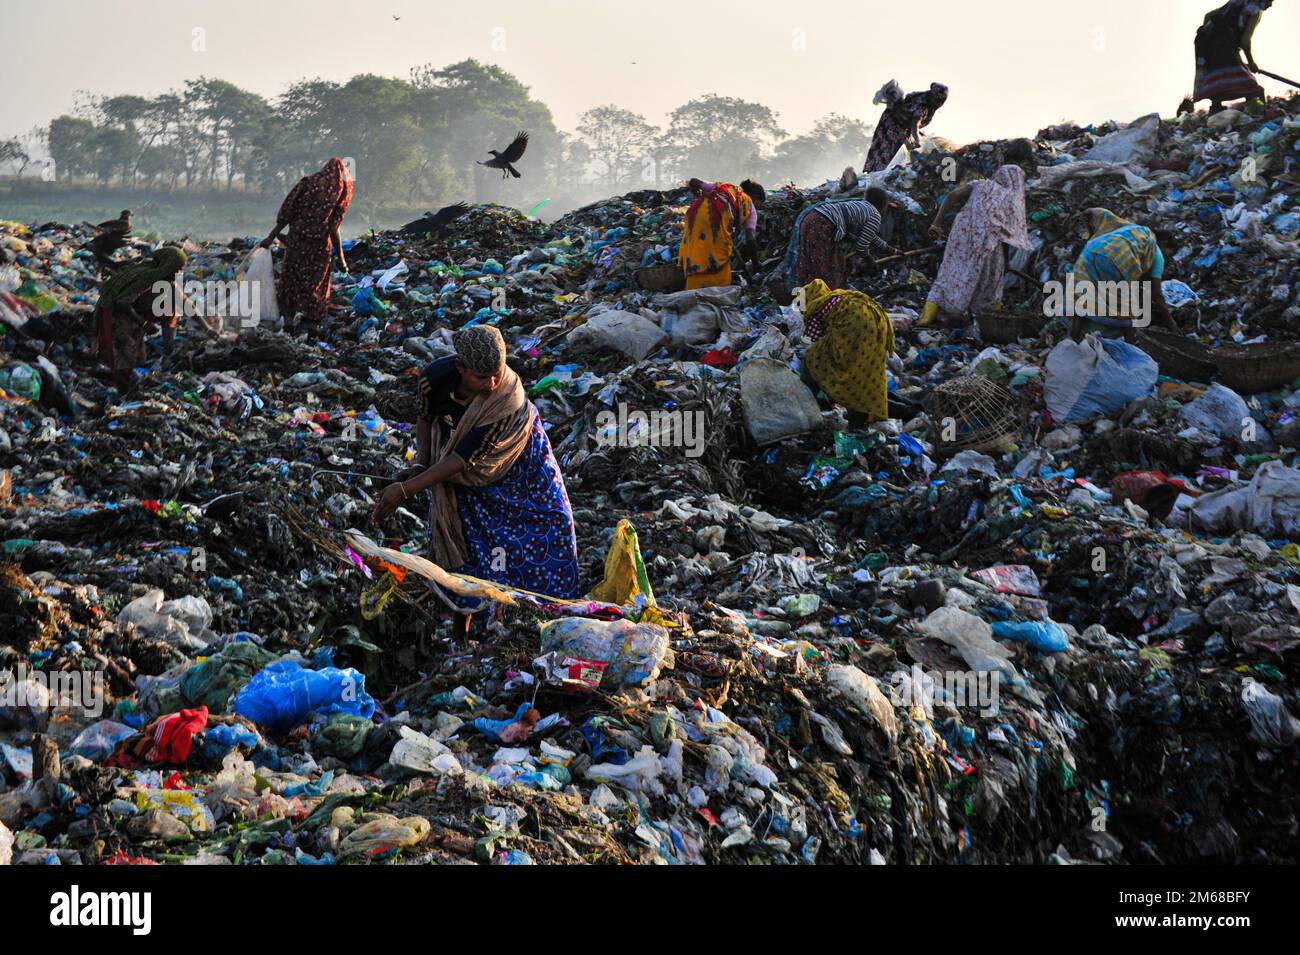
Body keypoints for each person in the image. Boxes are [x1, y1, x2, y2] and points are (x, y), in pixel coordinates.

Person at [372, 325, 580, 637]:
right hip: (458, 471)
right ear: (460, 367)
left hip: (519, 465)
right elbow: (426, 418)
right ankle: (461, 636)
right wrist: (421, 464)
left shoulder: (506, 401)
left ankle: (547, 624)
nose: (492, 383)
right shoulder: (435, 379)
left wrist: (406, 489)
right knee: (465, 546)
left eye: (496, 373)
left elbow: (462, 461)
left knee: (554, 527)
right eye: (481, 377)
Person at [920, 165, 1032, 326]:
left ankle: (929, 313)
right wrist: (1005, 262)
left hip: (963, 232)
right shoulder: (1013, 199)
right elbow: (1008, 234)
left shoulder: (981, 184)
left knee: (951, 270)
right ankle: (985, 315)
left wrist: (936, 223)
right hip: (990, 241)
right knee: (988, 277)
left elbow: (953, 194)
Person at [260, 158, 353, 326]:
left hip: (296, 242)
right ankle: (312, 329)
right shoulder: (340, 191)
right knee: (315, 286)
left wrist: (270, 237)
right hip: (318, 248)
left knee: (290, 282)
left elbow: (287, 213)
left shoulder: (308, 184)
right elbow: (334, 227)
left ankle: (288, 325)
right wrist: (341, 258)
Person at [1067, 210, 1179, 342]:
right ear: (1164, 244)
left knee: (1083, 295)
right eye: (1168, 253)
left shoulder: (1132, 232)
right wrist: (1172, 325)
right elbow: (1156, 295)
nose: (1166, 257)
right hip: (1115, 260)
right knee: (1130, 311)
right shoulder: (1157, 252)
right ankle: (1130, 346)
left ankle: (1074, 337)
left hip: (1090, 251)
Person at [798, 278, 896, 425]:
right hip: (875, 319)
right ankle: (862, 414)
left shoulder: (814, 308)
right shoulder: (836, 296)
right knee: (865, 370)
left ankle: (805, 405)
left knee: (813, 359)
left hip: (855, 323)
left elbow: (816, 342)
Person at [94, 246, 186, 391]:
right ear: (168, 265)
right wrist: (144, 324)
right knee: (124, 355)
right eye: (177, 268)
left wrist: (209, 329)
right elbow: (122, 303)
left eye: (181, 269)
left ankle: (118, 380)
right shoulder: (147, 277)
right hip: (115, 311)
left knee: (136, 355)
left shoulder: (166, 279)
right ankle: (122, 391)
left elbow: (186, 302)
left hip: (133, 313)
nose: (179, 272)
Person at [781, 189, 905, 293]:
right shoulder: (875, 215)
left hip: (809, 218)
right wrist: (871, 261)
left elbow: (872, 237)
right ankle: (828, 297)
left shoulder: (861, 207)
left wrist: (893, 251)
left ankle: (803, 298)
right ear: (883, 205)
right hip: (822, 224)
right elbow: (861, 247)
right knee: (830, 265)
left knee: (808, 261)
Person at [1187, 0, 1272, 114]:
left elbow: (1208, 16)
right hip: (1224, 47)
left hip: (1204, 48)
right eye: (1270, 0)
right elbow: (1245, 42)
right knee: (1254, 90)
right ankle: (1258, 117)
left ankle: (1216, 111)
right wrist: (1251, 62)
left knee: (1217, 86)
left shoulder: (1235, 3)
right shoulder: (1256, 11)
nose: (1270, 5)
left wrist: (1211, 36)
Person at [679, 179, 765, 289]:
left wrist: (700, 197)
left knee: (696, 251)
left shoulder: (724, 187)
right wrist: (756, 263)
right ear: (756, 197)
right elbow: (750, 239)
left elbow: (693, 182)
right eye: (759, 204)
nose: (757, 208)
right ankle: (717, 290)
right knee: (719, 257)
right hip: (716, 220)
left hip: (694, 214)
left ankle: (693, 287)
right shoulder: (749, 205)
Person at [864, 81, 948, 173]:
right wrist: (917, 141)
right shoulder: (921, 103)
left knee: (906, 151)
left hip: (903, 128)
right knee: (885, 152)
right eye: (938, 101)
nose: (939, 104)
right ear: (933, 97)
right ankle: (873, 174)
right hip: (892, 123)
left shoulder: (930, 104)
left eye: (941, 102)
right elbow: (914, 125)